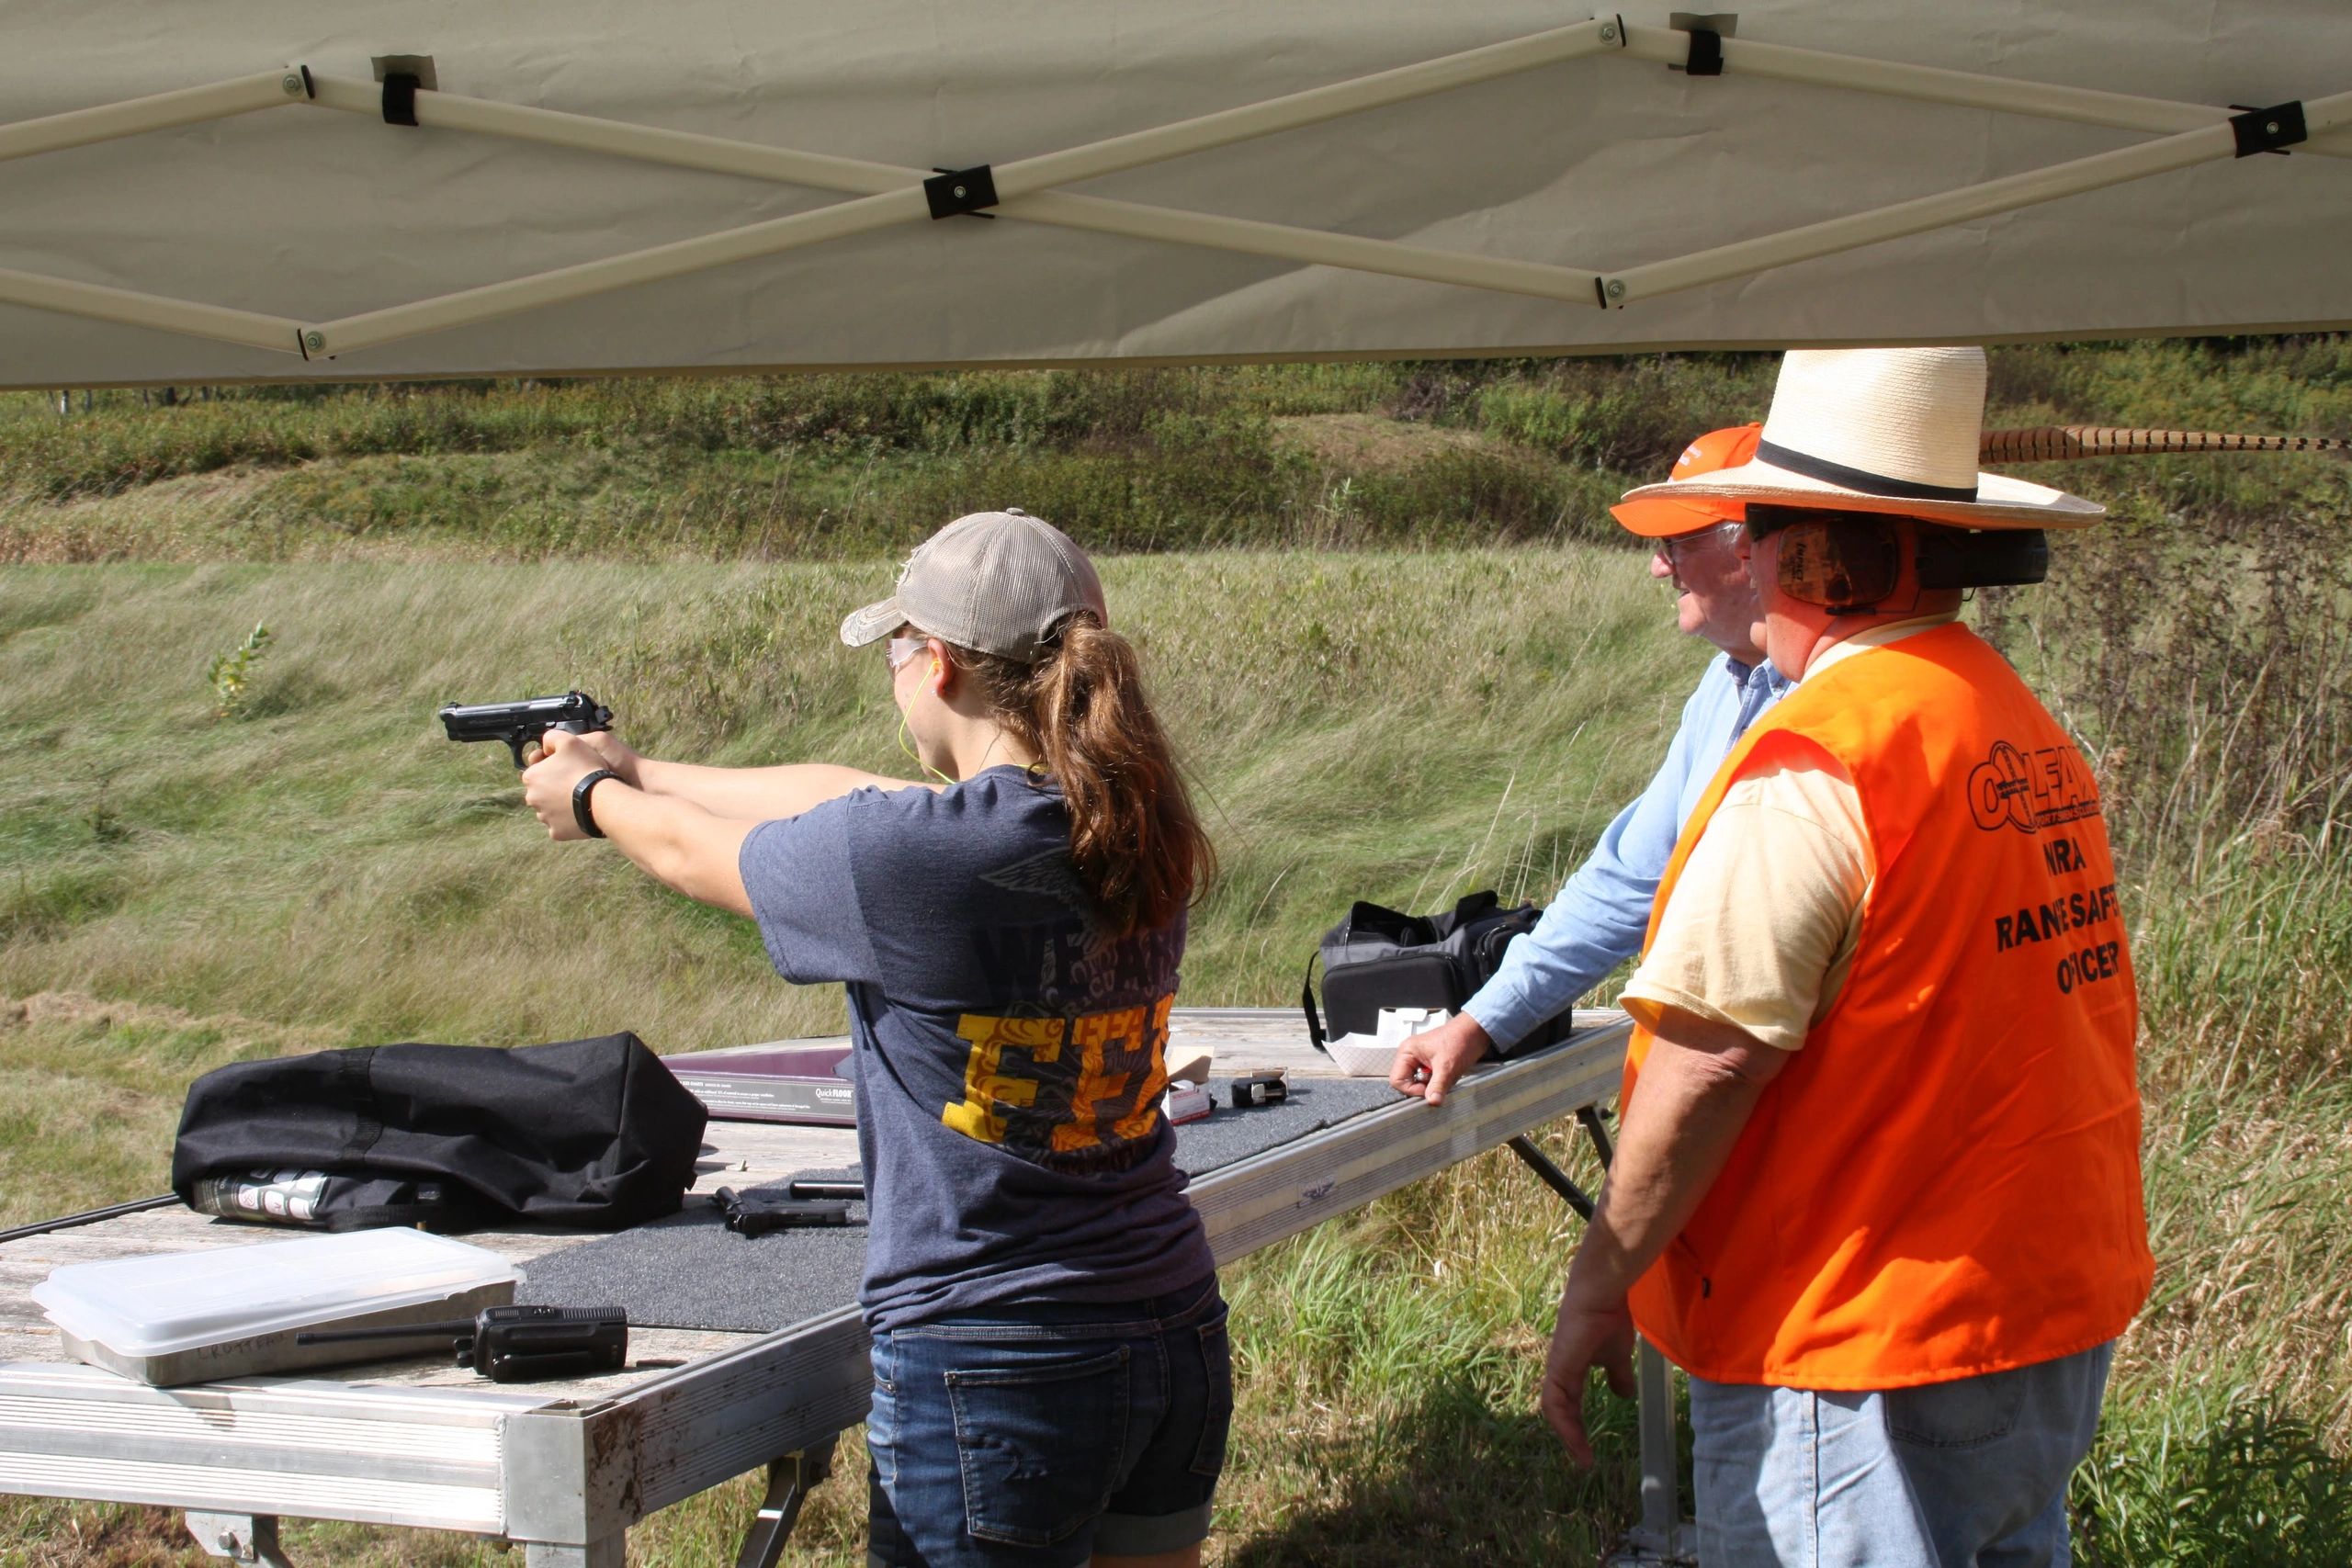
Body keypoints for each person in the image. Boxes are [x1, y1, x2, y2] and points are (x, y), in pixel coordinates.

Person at [518, 508, 1229, 1568]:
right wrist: (640, 769)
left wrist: (589, 797)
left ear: (935, 663)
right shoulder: (1134, 824)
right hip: (1172, 1326)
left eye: (897, 650)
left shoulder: (912, 862)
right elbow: (846, 796)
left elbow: (684, 855)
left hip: (994, 1361)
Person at [1538, 346, 2152, 1565]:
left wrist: (1601, 1280)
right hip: (2034, 1309)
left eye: (1760, 528)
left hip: (1857, 1338)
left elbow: (1708, 1066)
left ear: (1826, 557)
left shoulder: (1818, 759)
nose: (1744, 557)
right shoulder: (2008, 721)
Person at [1391, 424, 1792, 1104]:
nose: (1658, 568)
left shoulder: (1835, 694)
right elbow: (1626, 880)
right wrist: (1479, 1021)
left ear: (1750, 551)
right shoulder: (1723, 687)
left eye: (1675, 543)